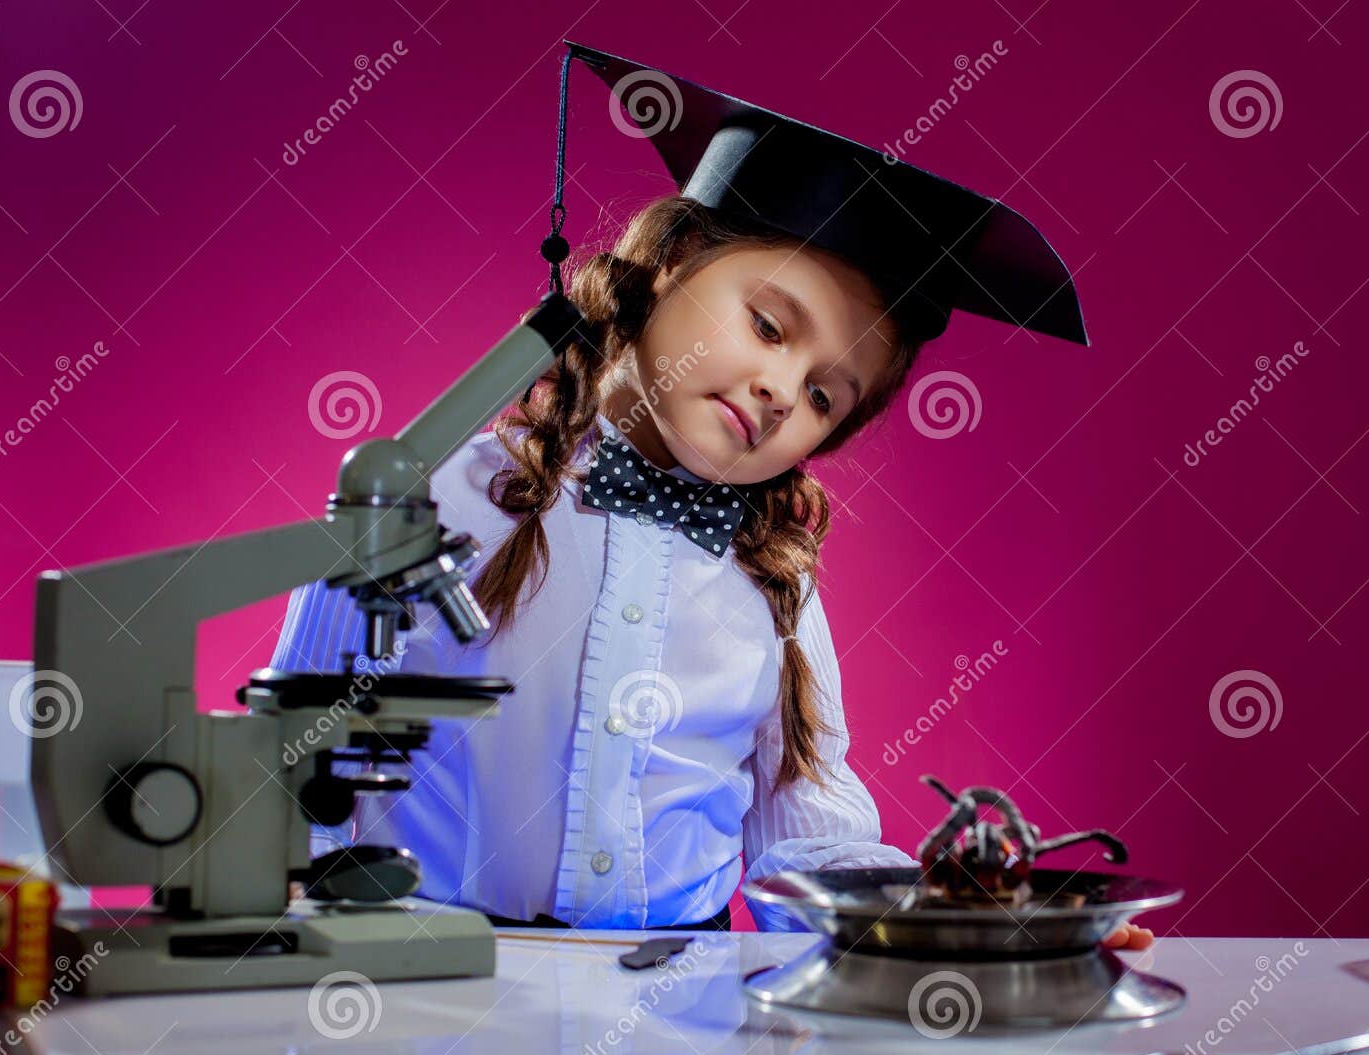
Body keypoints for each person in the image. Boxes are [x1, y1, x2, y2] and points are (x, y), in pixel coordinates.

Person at [272, 42, 1154, 949]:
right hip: (442, 1006)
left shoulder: (776, 589)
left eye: (823, 394)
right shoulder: (434, 495)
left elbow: (811, 846)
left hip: (680, 1025)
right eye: (769, 324)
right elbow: (291, 772)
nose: (780, 388)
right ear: (675, 256)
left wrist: (983, 926)